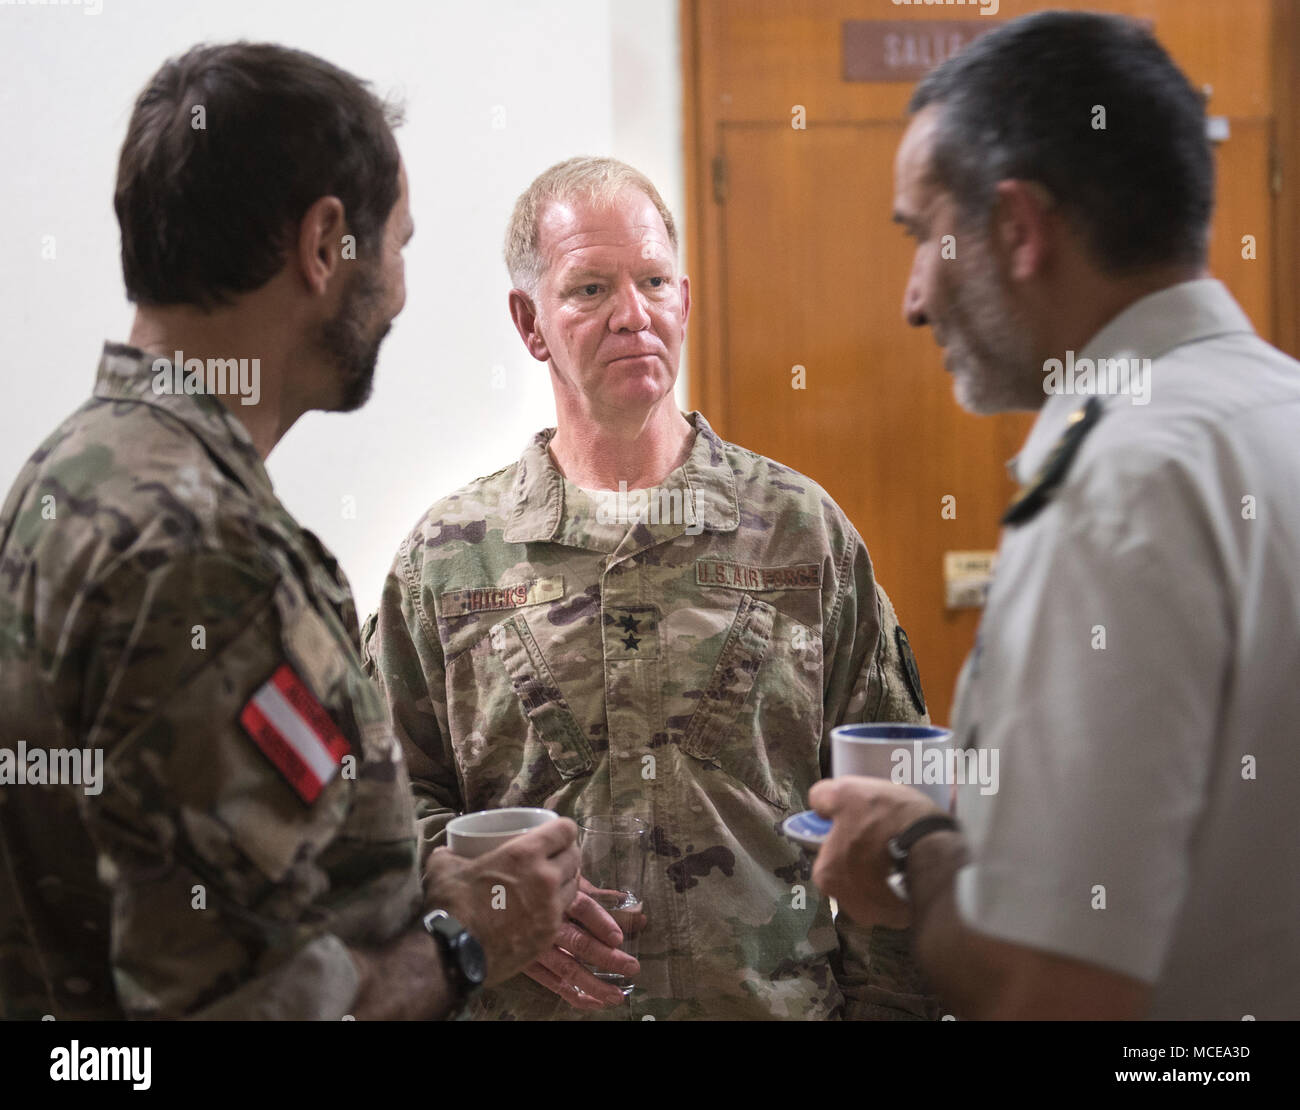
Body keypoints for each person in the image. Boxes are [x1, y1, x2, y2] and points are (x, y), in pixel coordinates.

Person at [0, 42, 581, 1021]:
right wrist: (464, 946)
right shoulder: (204, 558)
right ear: (324, 246)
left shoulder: (66, 478)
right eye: (397, 243)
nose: (398, 290)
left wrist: (411, 885)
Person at [810, 11, 1300, 1020]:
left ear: (1017, 230)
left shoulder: (1115, 488)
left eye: (919, 237)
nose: (912, 301)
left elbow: (1052, 988)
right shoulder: (1273, 418)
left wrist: (914, 853)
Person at [363, 156, 934, 1020]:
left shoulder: (801, 535)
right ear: (531, 322)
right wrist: (491, 902)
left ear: (686, 299)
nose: (633, 316)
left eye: (654, 282)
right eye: (590, 289)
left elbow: (894, 807)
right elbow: (378, 810)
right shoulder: (448, 558)